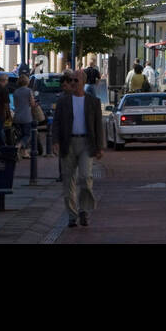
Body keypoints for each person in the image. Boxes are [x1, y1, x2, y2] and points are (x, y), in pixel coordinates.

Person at [53, 69, 104, 228]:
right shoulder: (63, 101)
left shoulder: (93, 102)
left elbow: (98, 125)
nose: (72, 83)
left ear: (83, 81)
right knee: (68, 180)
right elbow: (56, 123)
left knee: (85, 177)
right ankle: (71, 215)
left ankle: (84, 210)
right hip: (68, 143)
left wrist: (100, 147)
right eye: (71, 80)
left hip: (86, 143)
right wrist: (55, 142)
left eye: (75, 80)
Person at [12, 73, 35, 160]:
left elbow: (15, 104)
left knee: (20, 135)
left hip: (17, 116)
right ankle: (18, 146)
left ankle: (23, 153)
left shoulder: (16, 92)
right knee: (27, 135)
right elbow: (32, 103)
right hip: (26, 116)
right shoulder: (29, 91)